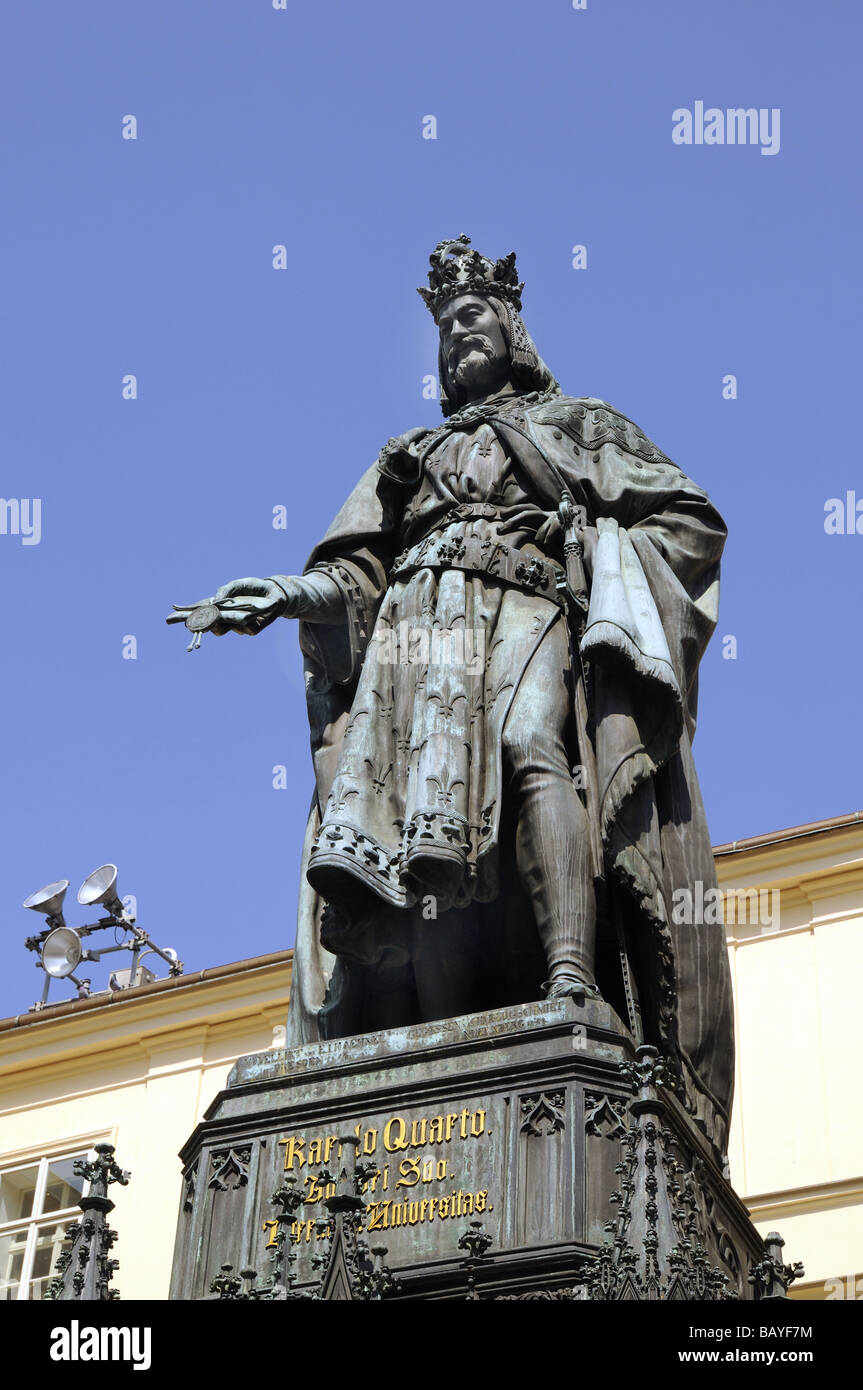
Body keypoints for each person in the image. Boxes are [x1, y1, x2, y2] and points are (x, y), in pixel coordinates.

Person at [170, 236, 734, 1160]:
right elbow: (358, 572)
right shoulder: (411, 454)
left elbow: (688, 521)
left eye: (469, 318)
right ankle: (430, 1039)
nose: (454, 339)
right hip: (416, 639)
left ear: (512, 325)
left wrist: (590, 539)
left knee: (530, 748)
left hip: (529, 599)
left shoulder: (581, 425)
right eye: (441, 329)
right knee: (407, 828)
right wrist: (285, 594)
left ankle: (567, 984)